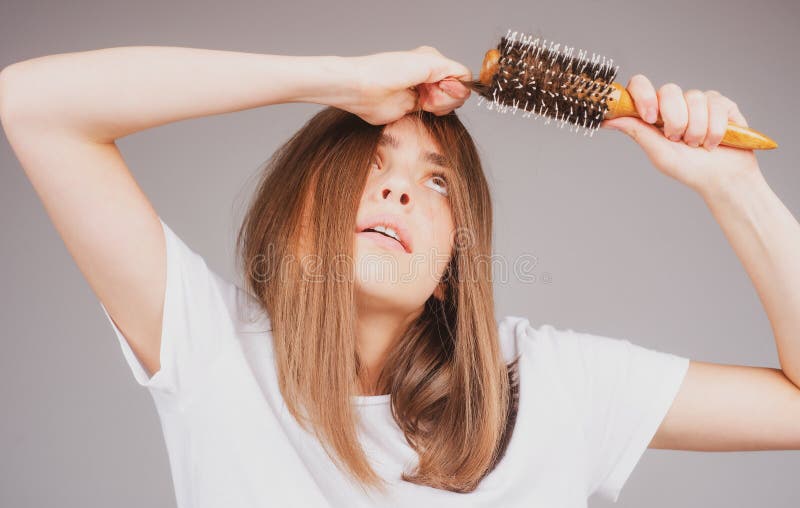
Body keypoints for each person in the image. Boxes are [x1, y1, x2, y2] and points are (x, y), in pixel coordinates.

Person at [1, 44, 798, 508]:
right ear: (296, 217)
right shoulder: (211, 352)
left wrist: (736, 190)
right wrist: (332, 80)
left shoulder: (550, 385)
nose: (398, 190)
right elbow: (34, 104)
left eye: (436, 180)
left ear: (453, 265)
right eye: (372, 163)